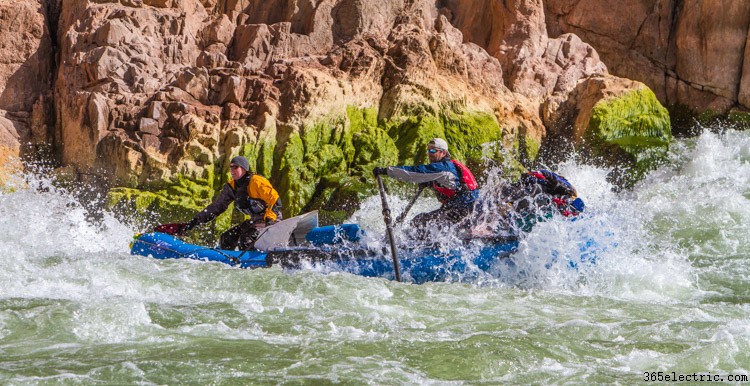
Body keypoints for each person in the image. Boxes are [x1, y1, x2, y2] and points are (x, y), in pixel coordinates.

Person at [156, 156, 282, 250]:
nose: (232, 170)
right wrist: (192, 223)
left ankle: (255, 261)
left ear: (244, 169)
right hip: (255, 221)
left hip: (271, 221)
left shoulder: (256, 182)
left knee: (247, 238)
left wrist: (270, 222)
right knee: (226, 238)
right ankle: (230, 262)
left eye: (235, 167)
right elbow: (215, 208)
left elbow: (275, 200)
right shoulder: (231, 187)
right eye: (231, 167)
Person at [373, 138, 479, 230]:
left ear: (443, 153)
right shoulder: (446, 166)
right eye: (428, 150)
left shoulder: (443, 168)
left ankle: (412, 243)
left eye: (433, 150)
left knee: (420, 221)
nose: (429, 153)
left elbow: (413, 173)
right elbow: (450, 183)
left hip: (463, 209)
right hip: (461, 207)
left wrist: (386, 171)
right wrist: (431, 183)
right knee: (423, 220)